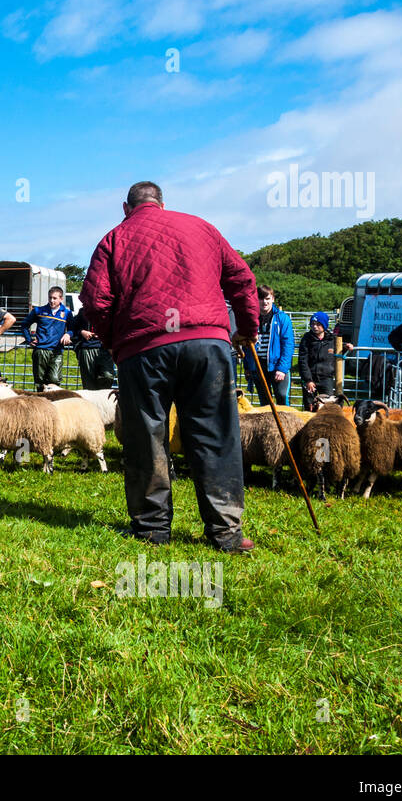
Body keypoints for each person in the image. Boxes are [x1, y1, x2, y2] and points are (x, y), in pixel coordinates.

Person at [82, 180, 258, 553]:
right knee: (215, 434)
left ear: (126, 207)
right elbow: (242, 279)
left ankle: (151, 528)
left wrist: (117, 342)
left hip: (145, 348)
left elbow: (96, 302)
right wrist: (247, 329)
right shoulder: (202, 227)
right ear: (162, 203)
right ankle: (226, 532)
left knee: (147, 436)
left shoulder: (114, 238)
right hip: (206, 342)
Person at [242, 286, 294, 406]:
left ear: (273, 299)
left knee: (281, 396)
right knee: (265, 400)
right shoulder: (251, 319)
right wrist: (248, 366)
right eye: (260, 299)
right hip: (258, 365)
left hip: (277, 366)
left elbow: (288, 345)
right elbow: (246, 345)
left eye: (267, 298)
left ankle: (285, 424)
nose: (264, 302)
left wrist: (282, 369)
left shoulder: (282, 318)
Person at [297, 311, 353, 408]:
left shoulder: (331, 339)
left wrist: (346, 347)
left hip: (326, 378)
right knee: (310, 405)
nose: (314, 327)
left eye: (318, 324)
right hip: (310, 378)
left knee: (328, 405)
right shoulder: (306, 339)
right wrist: (308, 380)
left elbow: (339, 348)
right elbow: (303, 361)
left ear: (324, 325)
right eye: (312, 324)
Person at [21, 287, 73, 388]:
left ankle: (53, 402)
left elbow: (72, 329)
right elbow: (24, 325)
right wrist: (29, 340)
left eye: (54, 298)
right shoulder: (38, 311)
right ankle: (41, 401)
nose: (51, 301)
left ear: (61, 299)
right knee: (40, 382)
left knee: (54, 379)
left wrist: (68, 334)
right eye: (50, 298)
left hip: (57, 350)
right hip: (40, 350)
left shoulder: (67, 313)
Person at [67, 305, 115, 389]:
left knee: (107, 376)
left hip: (104, 348)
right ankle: (92, 400)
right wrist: (82, 332)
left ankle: (102, 398)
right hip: (87, 348)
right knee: (89, 384)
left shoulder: (109, 311)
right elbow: (73, 328)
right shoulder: (82, 311)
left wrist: (104, 335)